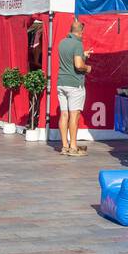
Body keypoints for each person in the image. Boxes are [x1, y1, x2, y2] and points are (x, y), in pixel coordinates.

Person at [56, 21, 91, 156]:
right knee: (74, 115)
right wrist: (87, 68)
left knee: (64, 114)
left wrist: (83, 55)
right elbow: (78, 65)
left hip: (61, 82)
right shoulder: (77, 44)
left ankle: (64, 146)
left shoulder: (62, 42)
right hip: (74, 84)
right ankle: (74, 147)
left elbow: (69, 60)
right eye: (83, 33)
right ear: (80, 32)